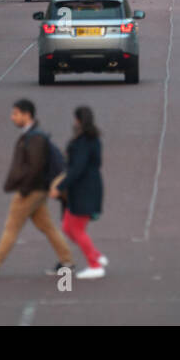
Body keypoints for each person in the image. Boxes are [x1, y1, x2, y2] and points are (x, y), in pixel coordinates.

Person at [0, 99, 76, 277]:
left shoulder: (34, 138)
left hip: (32, 190)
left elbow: (35, 167)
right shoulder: (35, 135)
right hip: (40, 189)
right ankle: (67, 261)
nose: (12, 117)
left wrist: (24, 189)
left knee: (12, 226)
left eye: (15, 114)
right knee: (47, 226)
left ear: (27, 115)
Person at [51, 106, 106, 280]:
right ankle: (96, 255)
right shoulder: (93, 139)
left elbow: (77, 169)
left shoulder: (82, 142)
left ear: (79, 121)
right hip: (87, 188)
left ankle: (94, 265)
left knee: (76, 228)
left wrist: (59, 187)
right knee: (67, 226)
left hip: (84, 190)